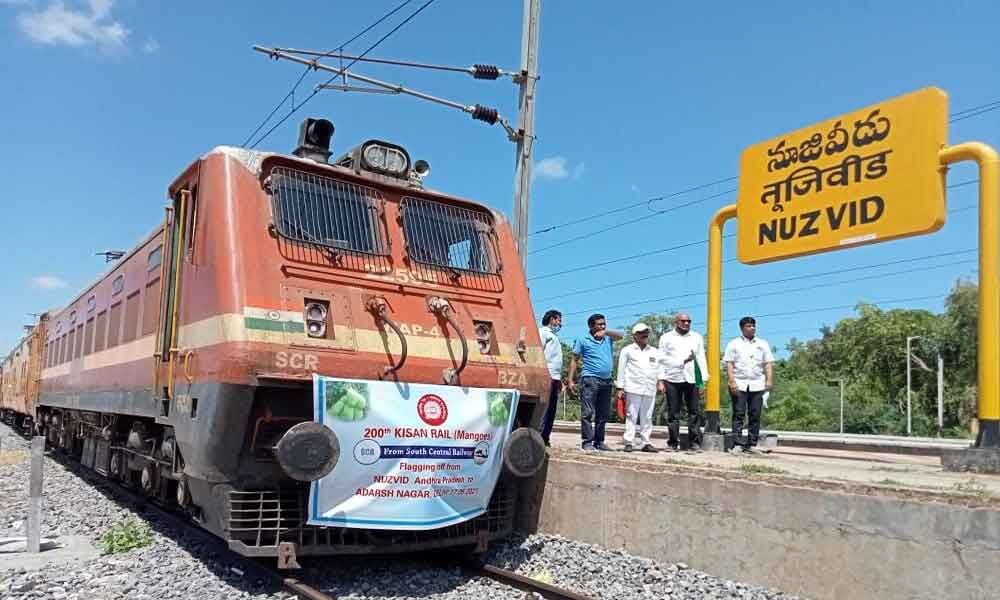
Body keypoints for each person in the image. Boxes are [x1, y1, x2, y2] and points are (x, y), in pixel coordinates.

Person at [567, 313, 623, 452]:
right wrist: (570, 380)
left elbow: (621, 335)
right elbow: (574, 360)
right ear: (591, 326)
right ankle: (587, 442)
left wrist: (606, 332)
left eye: (604, 324)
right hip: (590, 379)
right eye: (599, 324)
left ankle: (599, 441)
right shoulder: (582, 339)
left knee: (603, 413)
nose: (603, 326)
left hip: (607, 380)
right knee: (587, 412)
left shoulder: (608, 338)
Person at [658, 312, 709, 452]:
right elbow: (660, 360)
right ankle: (673, 443)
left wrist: (702, 381)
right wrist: (660, 380)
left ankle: (694, 443)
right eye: (683, 321)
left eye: (688, 321)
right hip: (672, 378)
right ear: (676, 322)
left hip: (692, 378)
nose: (686, 324)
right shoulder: (666, 337)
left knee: (694, 412)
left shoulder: (696, 337)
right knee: (673, 413)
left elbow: (701, 359)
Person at [723, 316, 774, 454]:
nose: (752, 328)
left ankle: (752, 444)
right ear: (742, 328)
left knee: (755, 414)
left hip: (757, 384)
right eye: (749, 326)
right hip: (739, 383)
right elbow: (729, 364)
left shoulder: (762, 344)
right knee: (739, 414)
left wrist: (769, 380)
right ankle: (738, 444)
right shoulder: (734, 344)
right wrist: (732, 381)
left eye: (753, 325)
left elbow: (768, 363)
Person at [614, 323, 661, 453]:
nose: (645, 335)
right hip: (633, 387)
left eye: (646, 332)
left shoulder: (654, 351)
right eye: (641, 332)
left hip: (650, 387)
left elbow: (659, 368)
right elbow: (621, 369)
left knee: (647, 416)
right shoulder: (627, 350)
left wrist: (660, 382)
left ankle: (646, 442)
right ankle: (629, 441)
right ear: (635, 335)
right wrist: (620, 388)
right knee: (631, 415)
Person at [538, 309, 564, 447]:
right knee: (545, 409)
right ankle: (540, 437)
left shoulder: (554, 336)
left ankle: (545, 438)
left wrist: (559, 379)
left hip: (555, 377)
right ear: (552, 319)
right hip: (546, 375)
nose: (560, 323)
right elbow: (539, 352)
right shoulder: (543, 333)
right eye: (558, 320)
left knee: (552, 409)